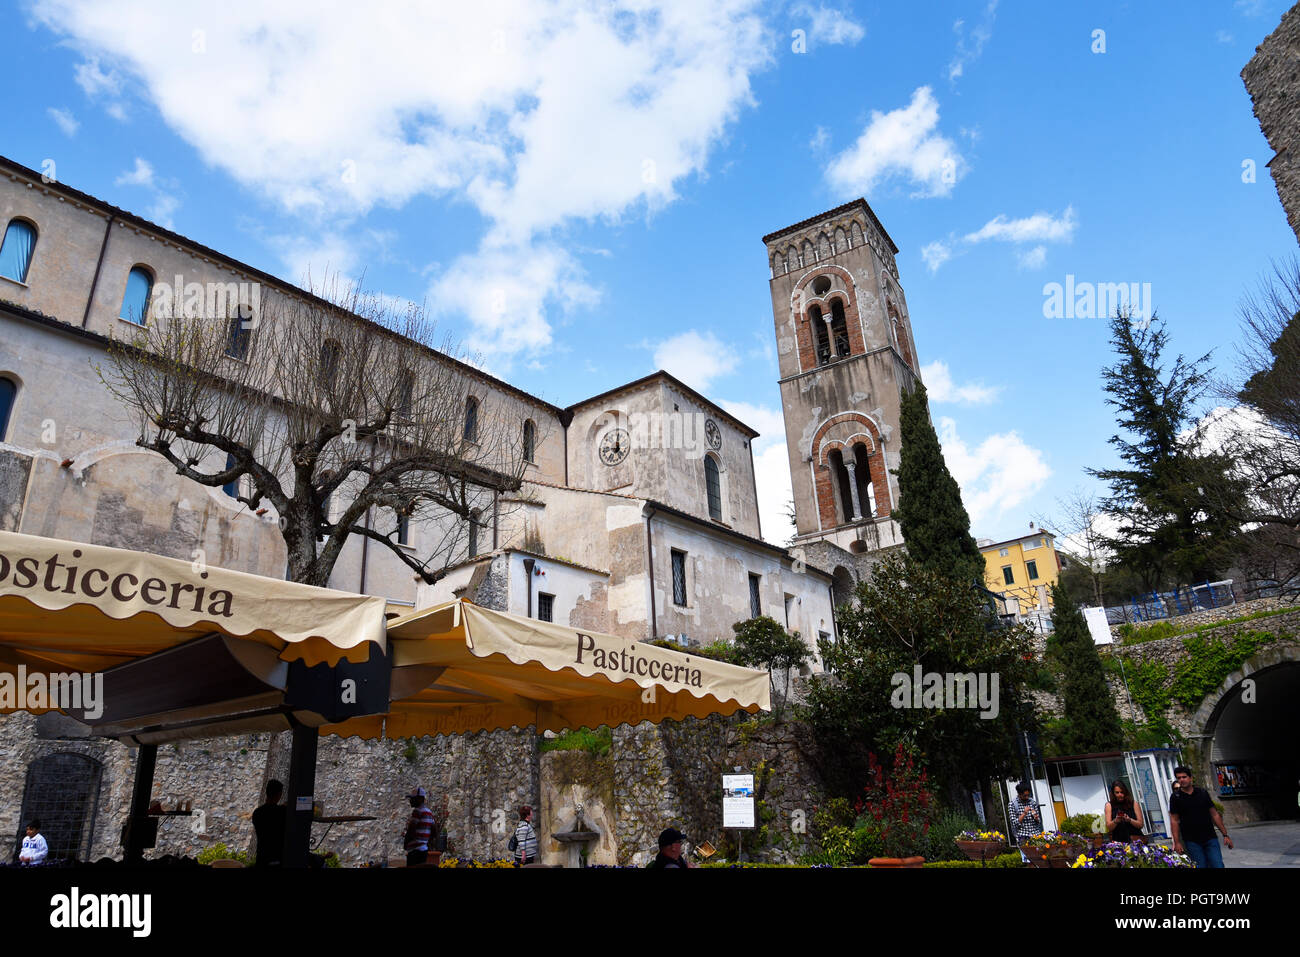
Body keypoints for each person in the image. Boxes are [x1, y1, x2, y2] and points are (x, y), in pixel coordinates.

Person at [1170, 766, 1233, 868]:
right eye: (1179, 778)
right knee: (1200, 865)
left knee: (1218, 864)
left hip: (1209, 837)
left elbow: (1214, 814)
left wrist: (1225, 835)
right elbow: (1174, 820)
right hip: (1191, 840)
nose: (1181, 780)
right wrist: (1177, 842)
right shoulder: (1175, 797)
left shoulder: (1202, 793)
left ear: (1190, 778)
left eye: (1184, 777)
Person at [251, 779, 287, 867]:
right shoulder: (283, 812)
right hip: (279, 859)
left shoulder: (257, 813)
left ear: (266, 792)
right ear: (279, 794)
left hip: (262, 858)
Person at [1008, 783, 1043, 863]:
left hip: (1035, 835)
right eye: (1025, 795)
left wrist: (1036, 817)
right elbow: (1014, 823)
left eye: (1028, 795)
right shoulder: (1012, 804)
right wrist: (1024, 813)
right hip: (1022, 836)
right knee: (1028, 862)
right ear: (1019, 794)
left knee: (1039, 859)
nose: (1027, 797)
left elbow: (1039, 822)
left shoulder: (1032, 802)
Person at [1104, 779, 1145, 843]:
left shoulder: (1134, 804)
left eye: (1122, 792)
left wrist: (1129, 820)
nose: (1120, 794)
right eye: (1117, 792)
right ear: (1113, 793)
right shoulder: (1109, 805)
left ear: (1125, 792)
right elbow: (1109, 827)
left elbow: (1141, 824)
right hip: (1119, 841)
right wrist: (1116, 820)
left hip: (1135, 839)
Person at [403, 786, 436, 866]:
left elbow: (411, 829)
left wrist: (406, 842)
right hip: (424, 850)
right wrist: (426, 841)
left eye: (413, 799)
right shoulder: (429, 812)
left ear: (420, 799)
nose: (410, 801)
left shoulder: (417, 811)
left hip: (414, 851)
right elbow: (434, 830)